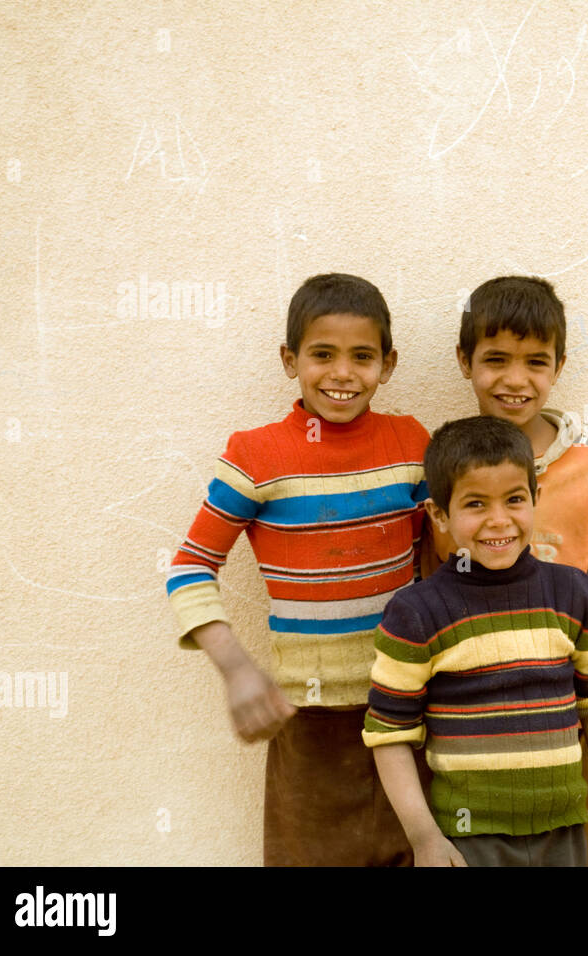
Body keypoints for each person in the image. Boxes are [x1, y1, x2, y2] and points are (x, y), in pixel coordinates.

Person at [164, 273, 431, 866]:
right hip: (310, 722)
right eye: (323, 355)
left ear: (387, 365)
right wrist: (237, 670)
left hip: (408, 705)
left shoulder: (411, 444)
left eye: (362, 356)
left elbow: (442, 555)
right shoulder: (256, 456)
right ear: (290, 361)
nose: (343, 373)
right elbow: (189, 568)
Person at [421, 275, 588, 865]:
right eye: (495, 359)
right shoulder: (447, 476)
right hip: (477, 744)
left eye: (535, 362)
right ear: (464, 361)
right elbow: (429, 598)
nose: (515, 379)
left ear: (559, 366)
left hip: (585, 725)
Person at [365, 415, 588, 866]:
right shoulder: (416, 613)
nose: (499, 520)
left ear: (536, 498)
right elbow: (389, 733)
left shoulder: (573, 594)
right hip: (468, 840)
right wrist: (424, 838)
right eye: (475, 504)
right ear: (439, 514)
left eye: (514, 499)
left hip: (563, 833)